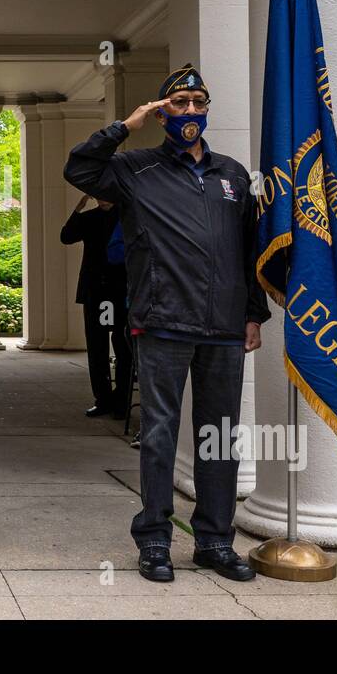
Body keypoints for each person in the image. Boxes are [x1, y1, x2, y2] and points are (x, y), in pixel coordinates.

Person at [63, 63, 270, 583]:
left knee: (219, 435)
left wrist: (253, 314)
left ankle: (215, 541)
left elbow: (248, 250)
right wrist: (124, 127)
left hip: (224, 326)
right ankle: (154, 539)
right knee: (159, 433)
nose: (191, 111)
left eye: (199, 102)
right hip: (162, 323)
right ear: (162, 113)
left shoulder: (232, 175)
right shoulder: (134, 169)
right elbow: (79, 169)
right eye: (179, 103)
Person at [60, 194, 131, 418]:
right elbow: (66, 236)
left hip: (119, 291)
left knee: (122, 346)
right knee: (97, 348)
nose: (102, 198)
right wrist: (78, 209)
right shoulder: (90, 217)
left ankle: (121, 400)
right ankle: (103, 399)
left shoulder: (127, 216)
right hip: (96, 292)